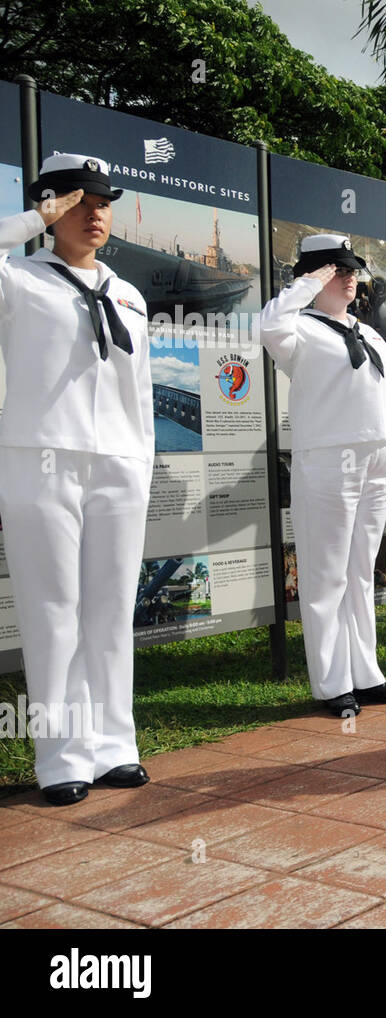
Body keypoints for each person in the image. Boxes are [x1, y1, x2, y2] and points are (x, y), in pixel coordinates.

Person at [0, 156, 153, 806]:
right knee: (53, 609)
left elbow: (138, 390)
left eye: (104, 201)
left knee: (112, 608)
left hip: (119, 462)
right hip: (43, 457)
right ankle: (61, 756)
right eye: (79, 200)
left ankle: (115, 745)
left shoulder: (127, 292)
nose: (95, 213)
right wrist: (34, 219)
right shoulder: (20, 281)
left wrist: (142, 459)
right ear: (51, 207)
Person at [259, 234, 386, 717]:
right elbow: (268, 326)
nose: (348, 277)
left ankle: (365, 673)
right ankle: (331, 683)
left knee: (360, 572)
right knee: (326, 575)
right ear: (313, 275)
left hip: (376, 458)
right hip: (328, 459)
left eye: (351, 270)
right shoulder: (298, 330)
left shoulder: (368, 334)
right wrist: (306, 284)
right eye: (336, 269)